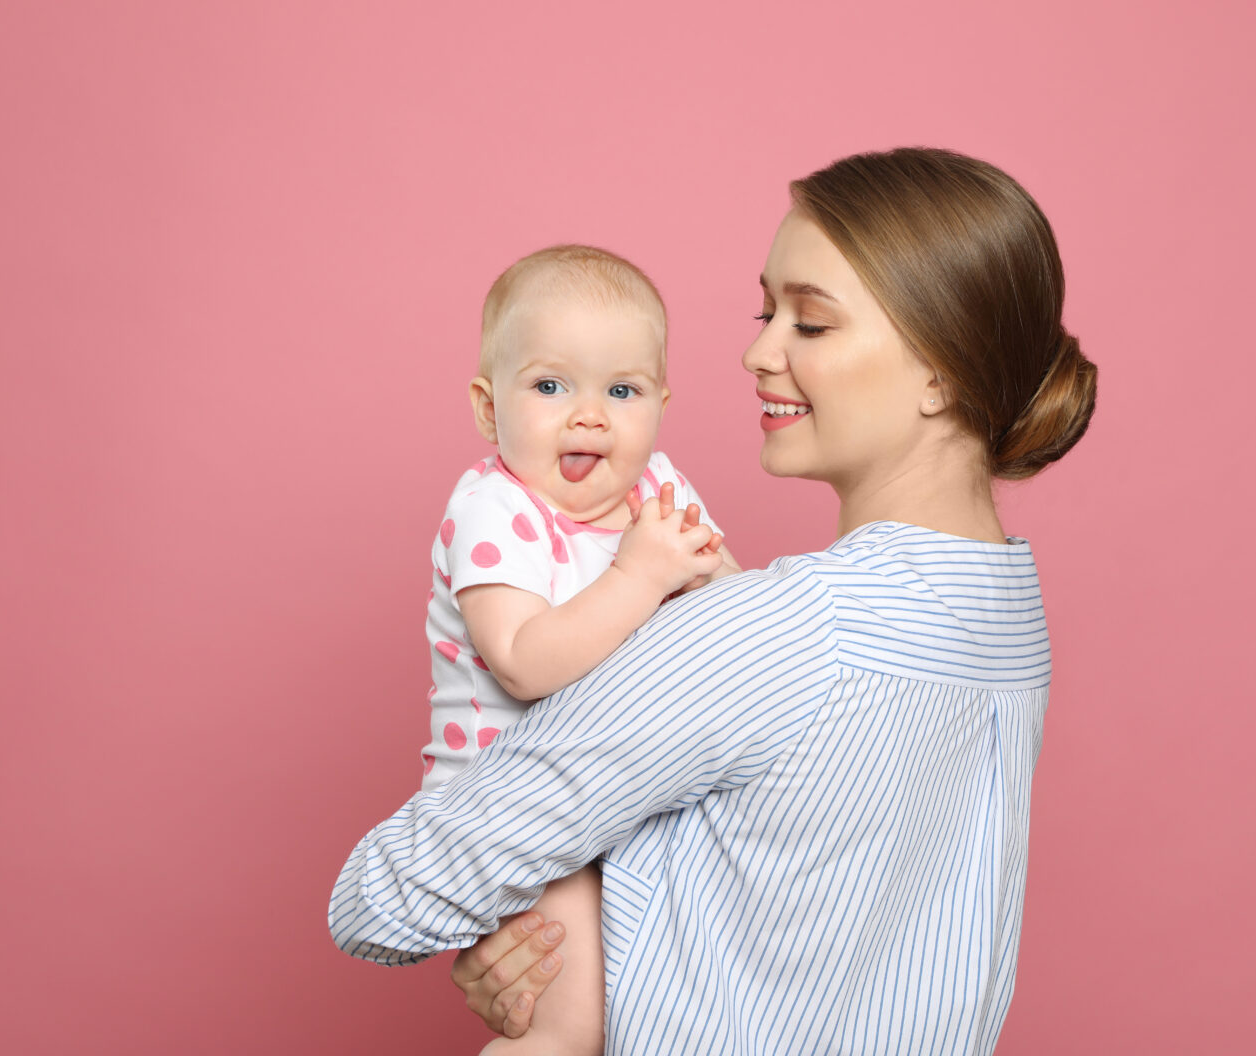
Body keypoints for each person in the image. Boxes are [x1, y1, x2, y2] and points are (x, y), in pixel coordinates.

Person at [330, 148, 1098, 1055]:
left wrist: (532, 942)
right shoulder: (1009, 621)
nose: (756, 351)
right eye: (764, 310)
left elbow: (382, 901)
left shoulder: (777, 634)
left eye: (808, 323)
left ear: (943, 376)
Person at [416, 243, 741, 1055]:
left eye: (622, 390)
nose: (589, 414)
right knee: (569, 1025)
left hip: (623, 792)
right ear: (490, 410)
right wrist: (639, 576)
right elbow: (523, 660)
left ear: (662, 404)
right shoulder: (494, 508)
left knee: (664, 1006)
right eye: (551, 385)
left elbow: (737, 613)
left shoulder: (658, 490)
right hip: (512, 802)